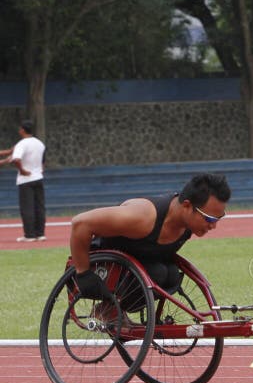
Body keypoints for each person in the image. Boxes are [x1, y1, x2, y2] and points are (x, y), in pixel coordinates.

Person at [70, 173, 231, 301]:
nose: (213, 226)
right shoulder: (143, 216)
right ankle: (107, 312)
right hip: (98, 266)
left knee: (171, 275)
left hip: (137, 264)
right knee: (157, 273)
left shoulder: (187, 225)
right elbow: (80, 223)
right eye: (209, 219)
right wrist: (83, 273)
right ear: (187, 206)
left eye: (218, 219)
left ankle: (117, 312)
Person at [0, 119, 47, 242]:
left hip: (26, 179)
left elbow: (16, 159)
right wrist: (39, 170)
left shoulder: (21, 144)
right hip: (38, 177)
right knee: (39, 206)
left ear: (22, 130)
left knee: (27, 208)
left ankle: (29, 235)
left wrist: (22, 170)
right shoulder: (40, 143)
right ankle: (40, 233)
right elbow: (43, 162)